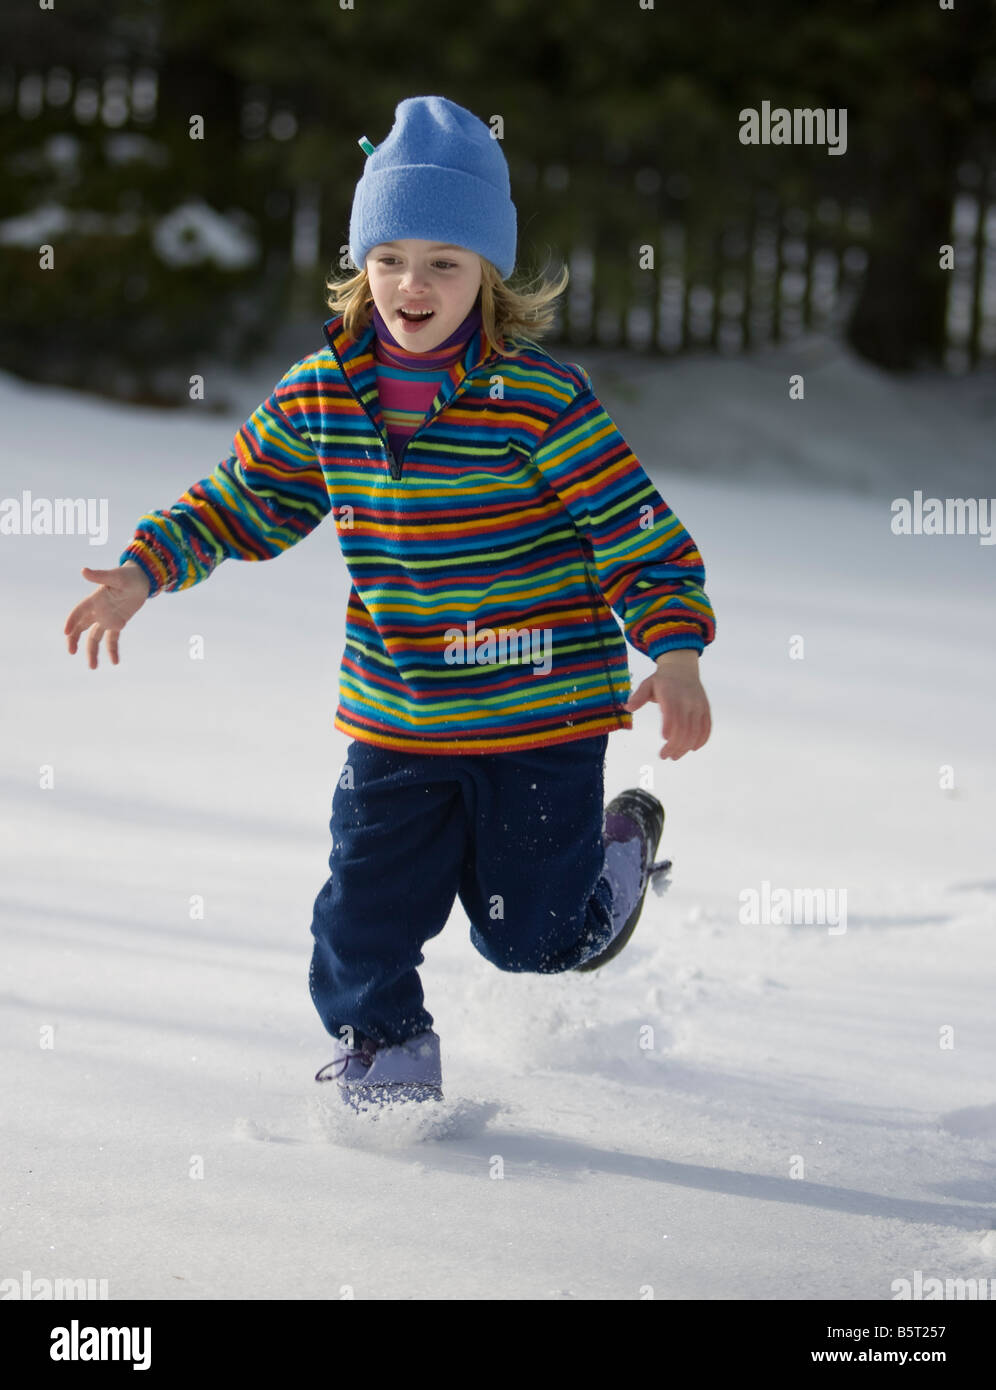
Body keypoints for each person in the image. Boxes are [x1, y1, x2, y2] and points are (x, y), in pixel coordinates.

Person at [64, 95, 716, 1111]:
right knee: (362, 909)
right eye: (392, 257)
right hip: (400, 712)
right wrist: (151, 566)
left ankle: (614, 865)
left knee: (531, 939)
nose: (413, 284)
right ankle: (388, 1054)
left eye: (445, 263)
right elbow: (248, 497)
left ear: (488, 276)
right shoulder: (323, 392)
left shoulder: (538, 398)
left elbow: (631, 525)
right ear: (361, 264)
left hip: (541, 713)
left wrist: (672, 651)